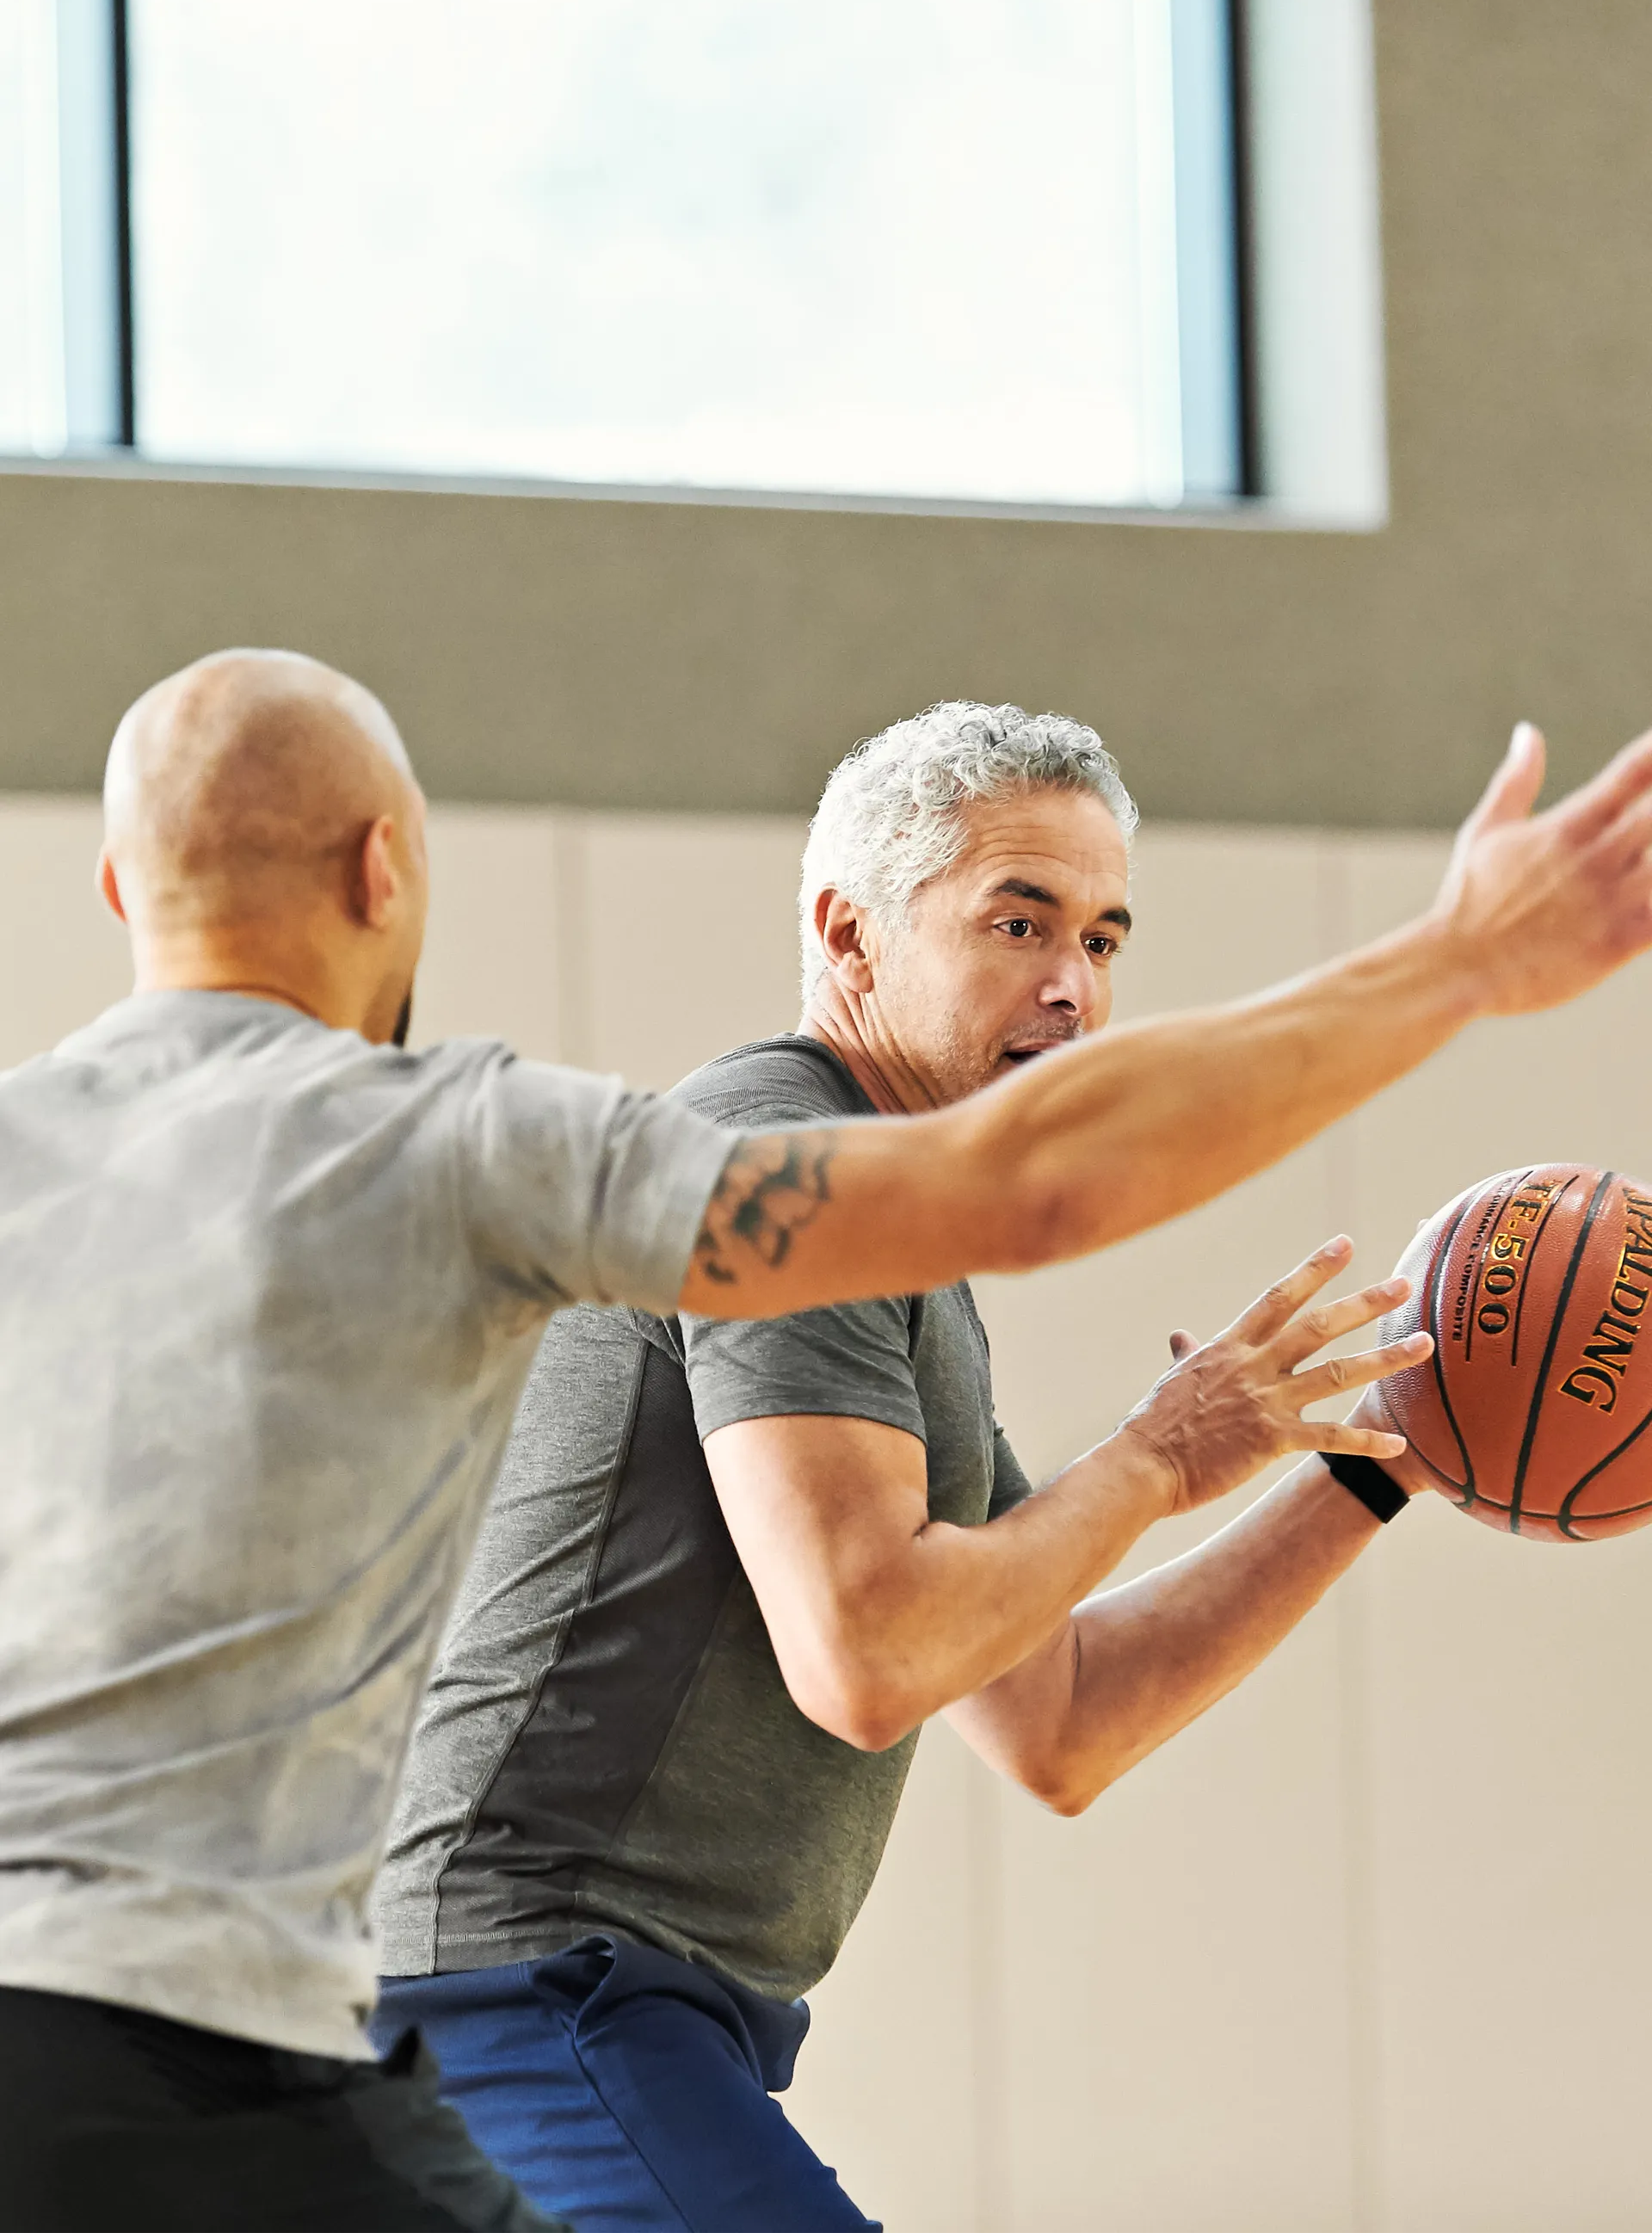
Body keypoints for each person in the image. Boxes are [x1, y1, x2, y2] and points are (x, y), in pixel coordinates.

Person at [0, 656, 1645, 2233]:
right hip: (522, 1993)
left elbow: (1061, 1717)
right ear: (846, 933)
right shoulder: (746, 1161)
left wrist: (1379, 1465)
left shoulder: (872, 1255)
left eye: (1104, 935)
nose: (1073, 983)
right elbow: (868, 1654)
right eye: (1018, 923)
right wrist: (1452, 973)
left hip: (467, 2009)